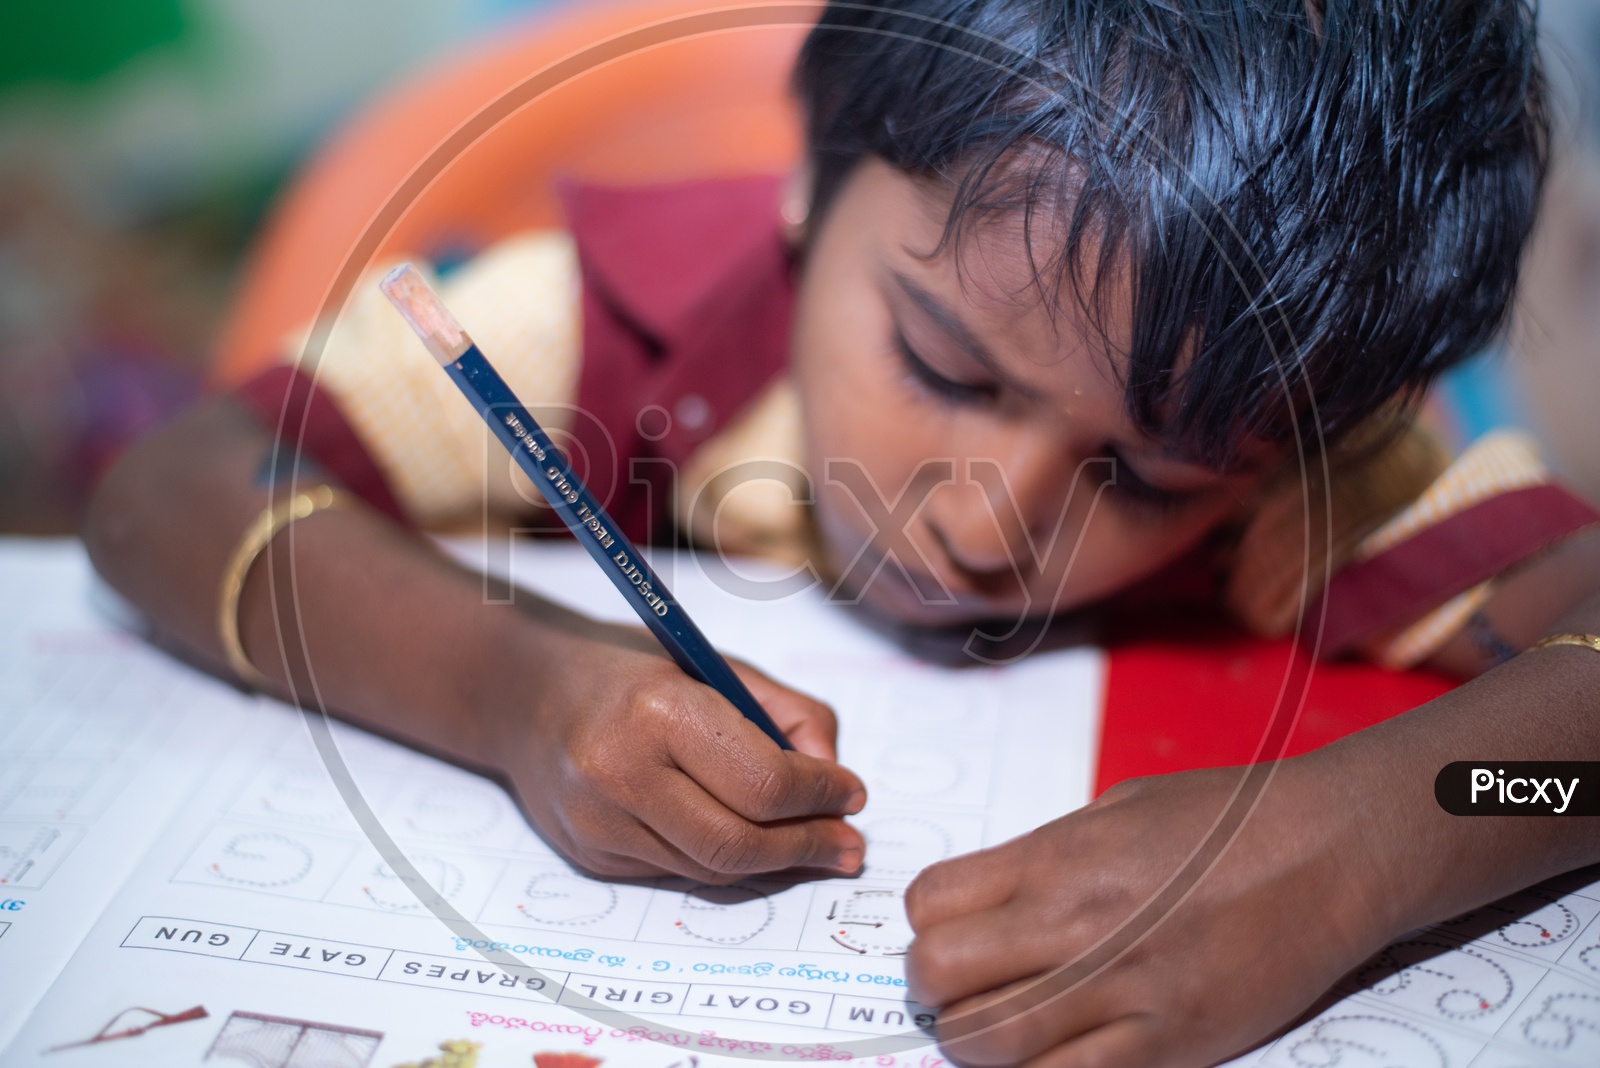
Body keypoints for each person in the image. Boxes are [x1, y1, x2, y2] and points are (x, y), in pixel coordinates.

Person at [85, 1, 1600, 1064]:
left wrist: (1360, 848)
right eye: (943, 368)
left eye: (1145, 480)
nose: (983, 519)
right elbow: (162, 497)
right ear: (812, 181)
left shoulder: (1324, 471)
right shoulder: (603, 326)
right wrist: (518, 683)